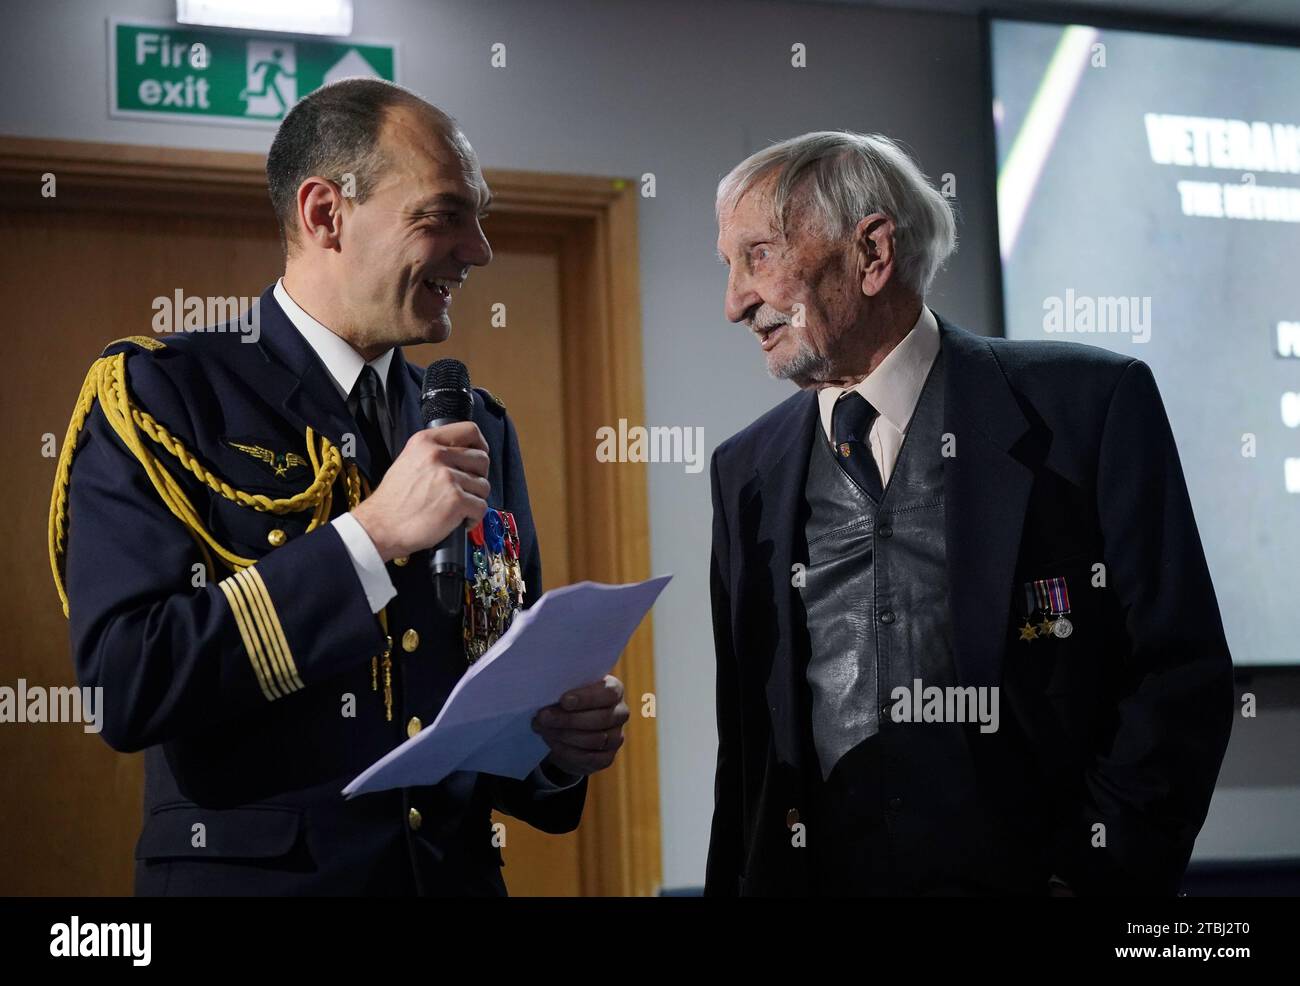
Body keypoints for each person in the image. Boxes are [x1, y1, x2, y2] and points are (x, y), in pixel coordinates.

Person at [49, 79, 628, 895]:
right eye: (444, 216)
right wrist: (370, 538)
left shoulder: (475, 423)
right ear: (326, 214)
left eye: (481, 215)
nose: (480, 250)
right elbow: (127, 686)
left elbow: (482, 690)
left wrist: (555, 745)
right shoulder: (163, 398)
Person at [705, 130, 1233, 896]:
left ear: (873, 253)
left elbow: (1177, 675)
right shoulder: (746, 470)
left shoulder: (1087, 409)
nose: (734, 302)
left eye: (757, 255)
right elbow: (748, 750)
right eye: (729, 265)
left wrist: (1094, 879)